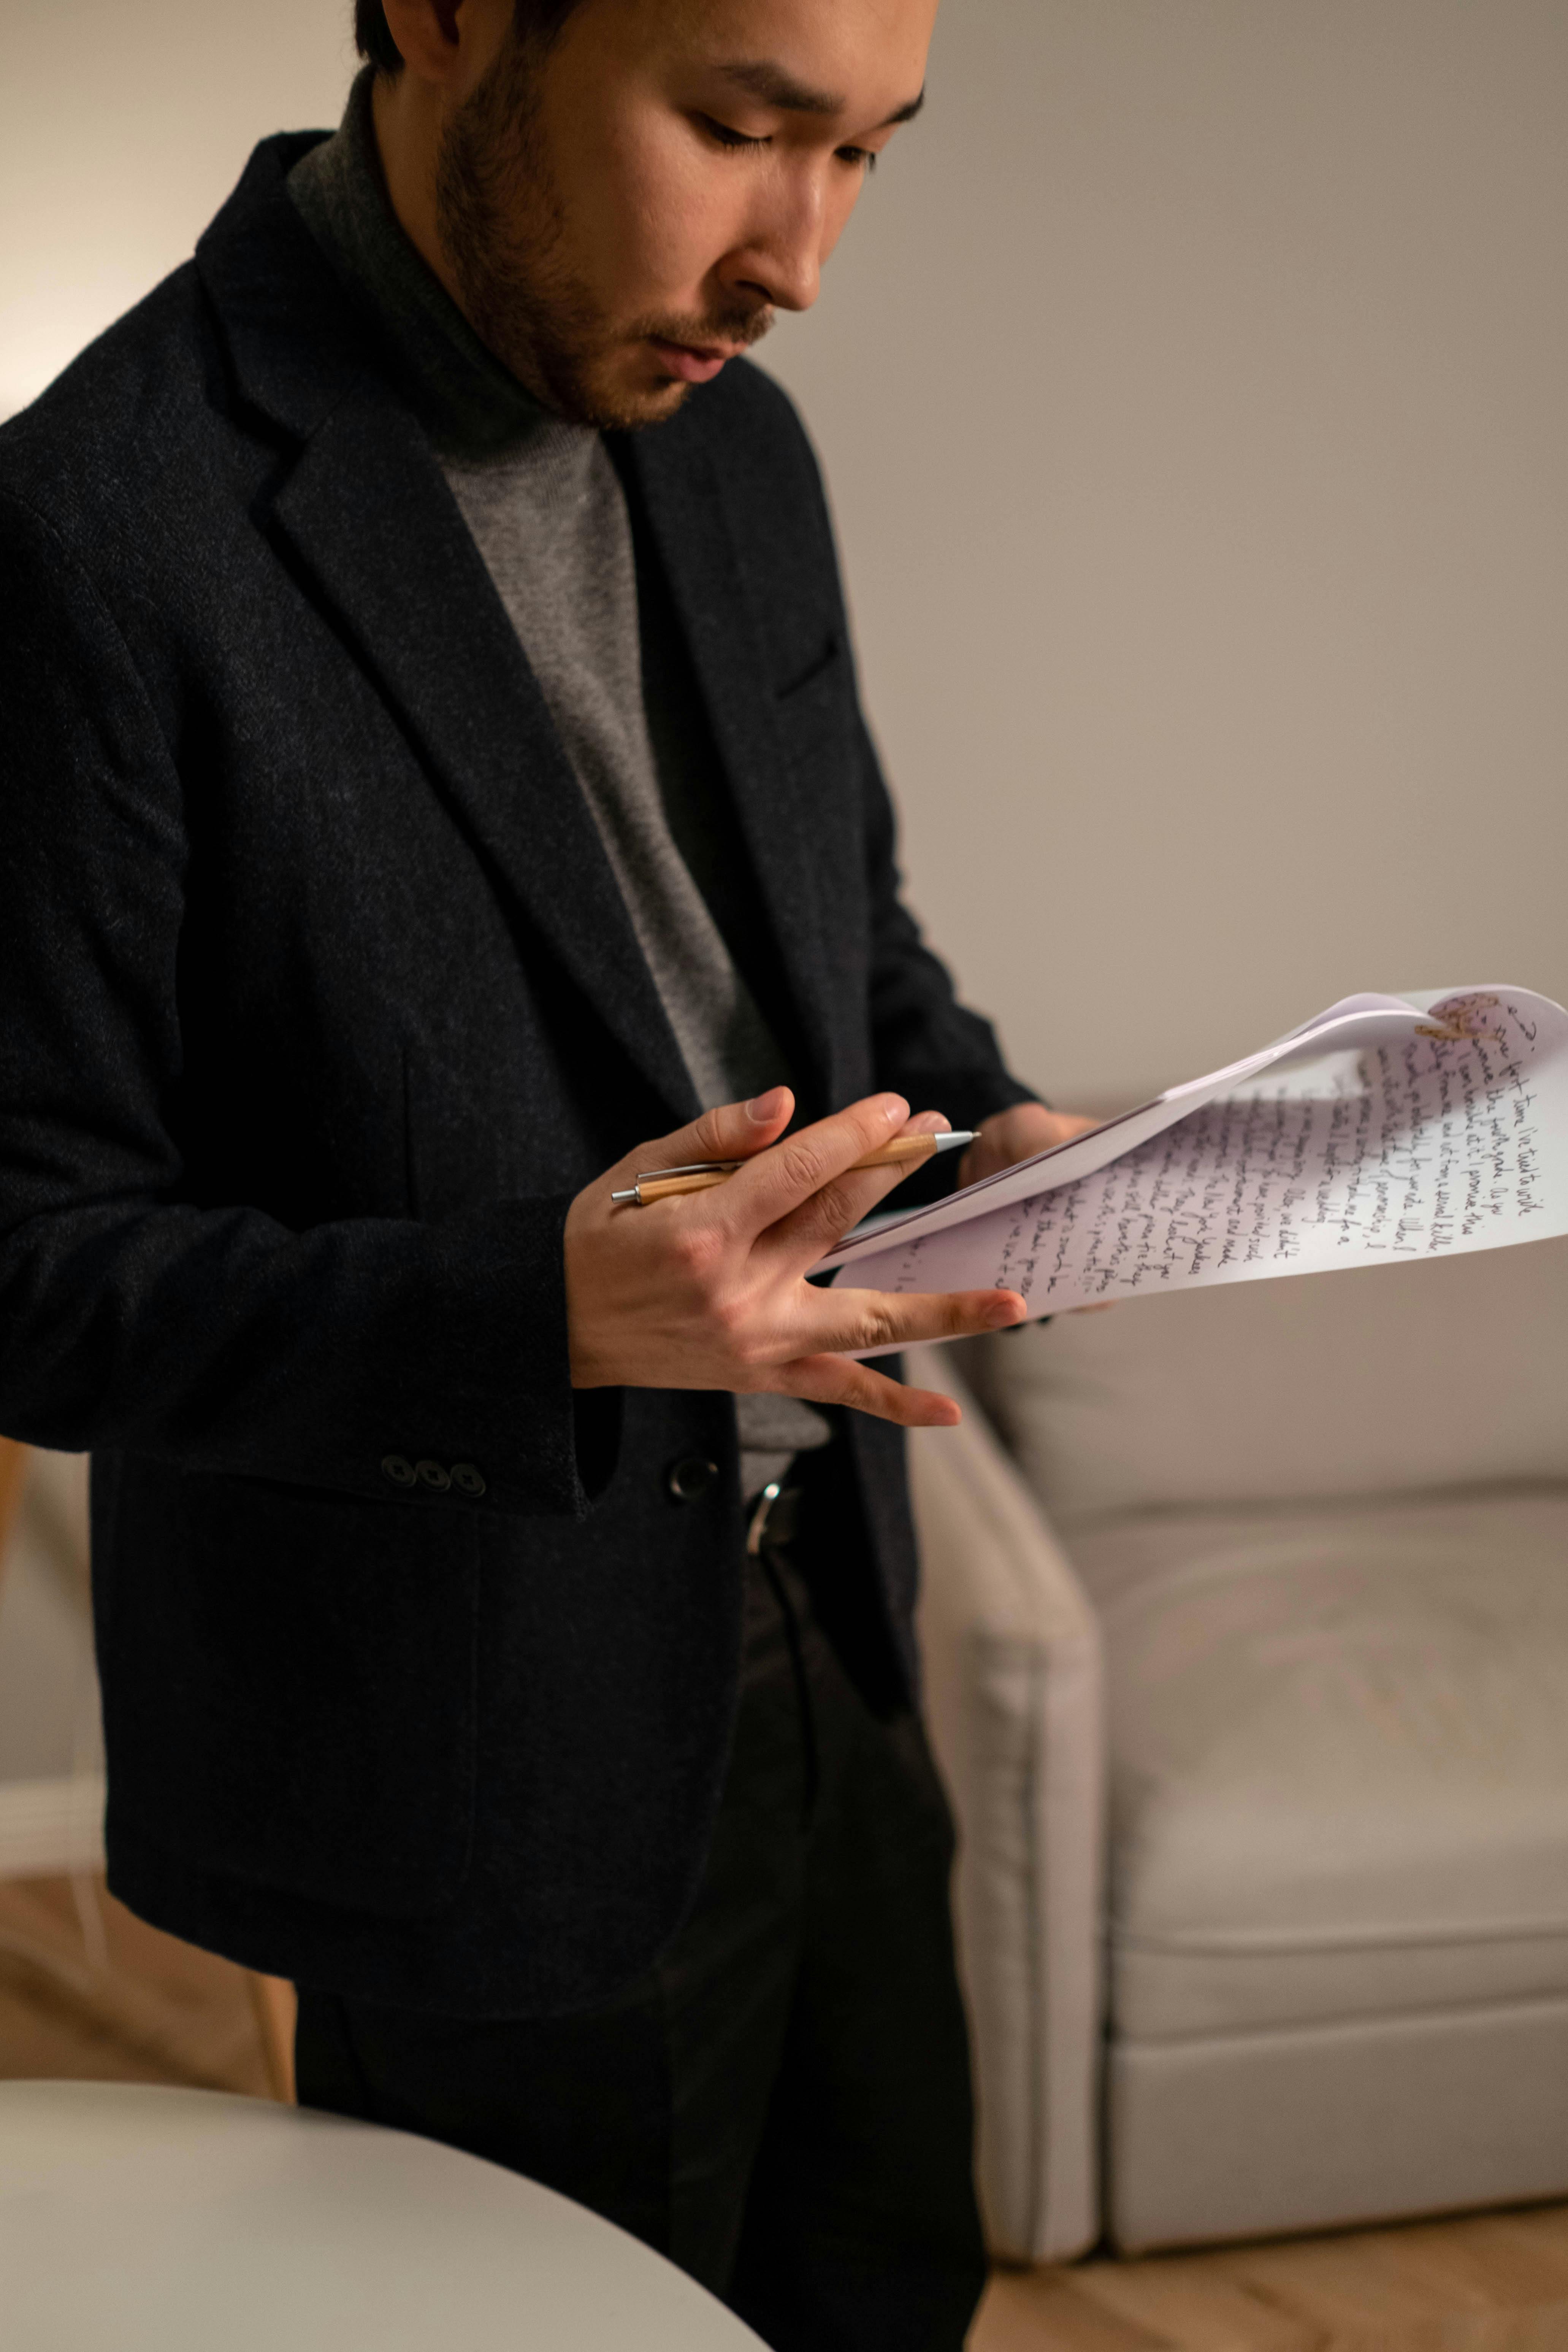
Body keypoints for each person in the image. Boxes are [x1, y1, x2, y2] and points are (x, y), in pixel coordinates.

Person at [0, 1, 1088, 2341]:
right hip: (466, 1747)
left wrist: (1016, 1139)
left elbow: (832, 950)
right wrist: (539, 1313)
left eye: (871, 154)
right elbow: (23, 1259)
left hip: (839, 1619)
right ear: (453, 14)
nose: (803, 254)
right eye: (739, 127)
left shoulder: (746, 449)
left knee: (889, 2292)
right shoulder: (87, 527)